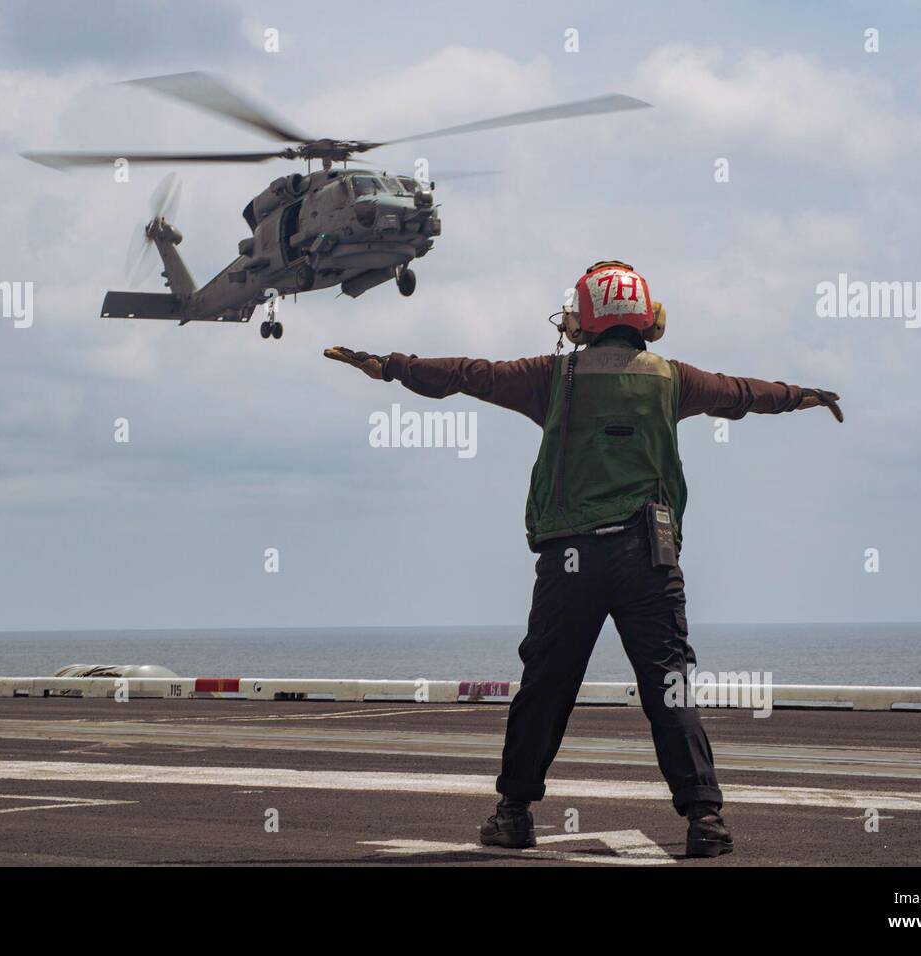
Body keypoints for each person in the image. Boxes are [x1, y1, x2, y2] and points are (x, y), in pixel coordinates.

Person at [323, 260, 843, 858]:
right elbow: (744, 394)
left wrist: (388, 366)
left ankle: (514, 814)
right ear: (647, 320)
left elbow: (468, 375)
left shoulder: (551, 376)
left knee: (546, 686)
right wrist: (801, 396)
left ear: (584, 320)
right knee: (670, 686)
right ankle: (705, 820)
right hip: (650, 556)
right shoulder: (674, 379)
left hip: (571, 559)